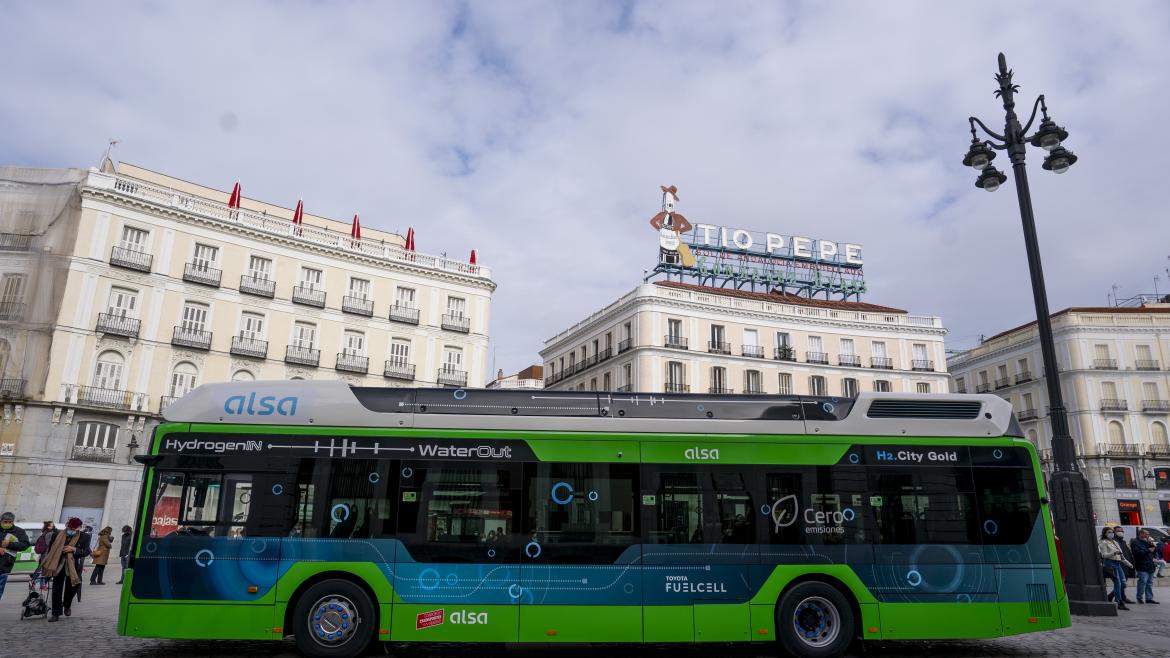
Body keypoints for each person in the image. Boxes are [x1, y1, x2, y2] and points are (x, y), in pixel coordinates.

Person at [41, 517, 91, 622]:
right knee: (56, 590)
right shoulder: (57, 534)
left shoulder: (85, 537)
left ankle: (67, 605)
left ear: (79, 528)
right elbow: (51, 549)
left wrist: (74, 549)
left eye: (74, 529)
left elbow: (86, 551)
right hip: (58, 565)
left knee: (72, 588)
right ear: (66, 526)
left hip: (73, 566)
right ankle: (56, 613)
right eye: (70, 528)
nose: (71, 530)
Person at [1, 511, 32, 601]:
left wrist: (9, 544)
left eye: (10, 522)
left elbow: (25, 545)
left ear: (13, 521)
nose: (7, 524)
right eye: (5, 522)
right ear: (1, 521)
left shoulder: (19, 531)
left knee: (0, 587)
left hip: (5, 564)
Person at [1100, 526, 1132, 610]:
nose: (1111, 534)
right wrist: (1113, 553)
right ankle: (1119, 602)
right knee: (1118, 582)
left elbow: (1121, 555)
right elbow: (1104, 555)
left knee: (1123, 583)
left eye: (1112, 532)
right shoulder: (1103, 542)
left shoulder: (1115, 542)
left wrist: (1129, 564)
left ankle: (1111, 596)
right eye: (1109, 532)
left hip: (1118, 563)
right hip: (1110, 563)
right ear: (1105, 533)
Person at [1130, 529, 1160, 604]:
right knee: (1142, 582)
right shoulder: (1135, 542)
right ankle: (1139, 597)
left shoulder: (1147, 541)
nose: (1148, 535)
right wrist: (1148, 550)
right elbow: (1137, 553)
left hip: (1150, 565)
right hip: (1142, 565)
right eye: (1147, 534)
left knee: (1149, 582)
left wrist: (1151, 544)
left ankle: (1149, 598)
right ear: (1141, 534)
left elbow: (1154, 551)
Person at [1112, 526, 1137, 604]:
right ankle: (1119, 598)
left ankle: (1120, 597)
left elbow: (1128, 554)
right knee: (1121, 583)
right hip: (1119, 566)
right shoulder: (1114, 542)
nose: (1120, 532)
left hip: (1126, 565)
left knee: (1122, 583)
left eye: (1122, 531)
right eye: (1118, 531)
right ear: (1114, 532)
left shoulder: (1123, 542)